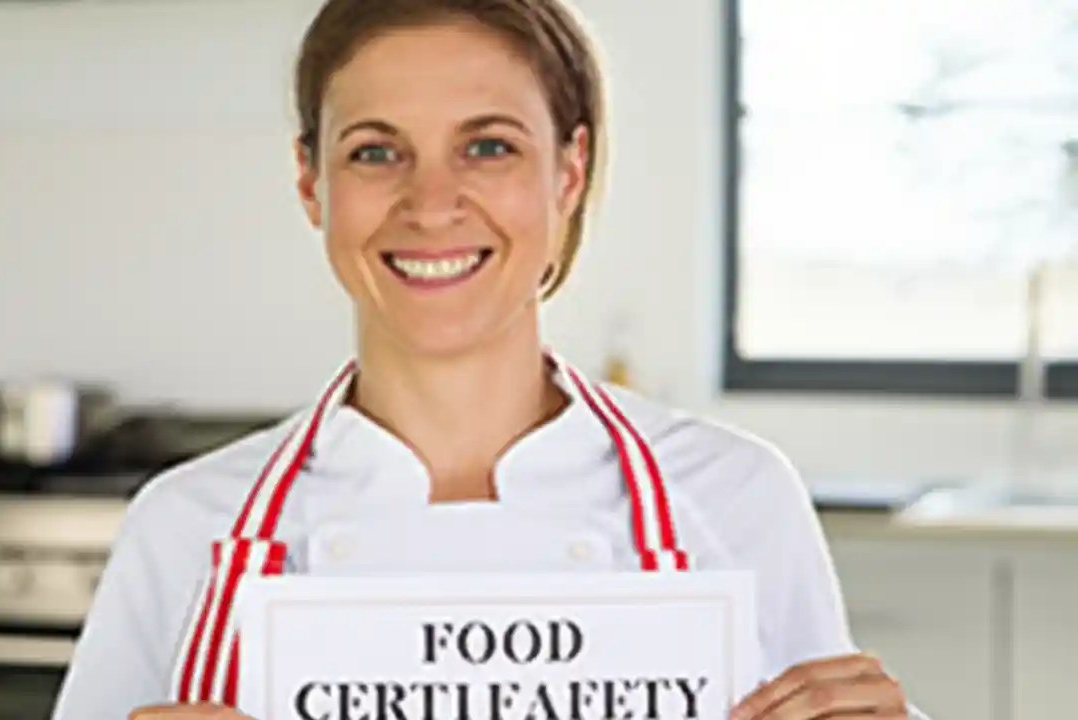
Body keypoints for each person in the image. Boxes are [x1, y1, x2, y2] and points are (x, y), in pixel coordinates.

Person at [53, 1, 928, 718]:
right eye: (376, 152)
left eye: (488, 146)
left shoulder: (735, 500)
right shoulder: (183, 528)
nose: (431, 205)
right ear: (312, 183)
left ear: (570, 172)